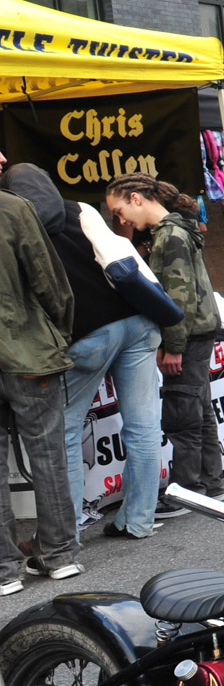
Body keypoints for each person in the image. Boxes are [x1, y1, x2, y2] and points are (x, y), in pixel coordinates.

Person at [114, 173, 224, 513]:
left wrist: (173, 346)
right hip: (197, 331)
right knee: (199, 409)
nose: (121, 220)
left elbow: (179, 297)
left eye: (120, 210)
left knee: (183, 415)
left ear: (136, 198)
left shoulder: (171, 235)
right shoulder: (173, 231)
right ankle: (208, 484)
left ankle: (188, 490)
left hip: (188, 336)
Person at [0, 170, 77, 583]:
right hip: (27, 349)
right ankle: (58, 552)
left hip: (25, 348)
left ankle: (3, 569)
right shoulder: (14, 208)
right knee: (47, 455)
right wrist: (58, 336)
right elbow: (52, 285)